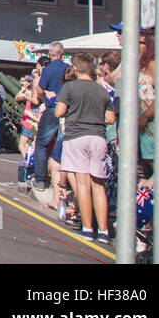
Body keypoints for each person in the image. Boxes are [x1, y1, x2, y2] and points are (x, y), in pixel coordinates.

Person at [56, 53, 115, 243]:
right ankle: (104, 231)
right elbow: (111, 118)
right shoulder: (102, 91)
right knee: (99, 184)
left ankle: (88, 228)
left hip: (77, 136)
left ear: (75, 68)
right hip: (98, 137)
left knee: (82, 183)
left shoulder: (69, 87)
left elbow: (59, 112)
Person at [31, 42, 69, 194]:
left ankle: (40, 179)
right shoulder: (67, 68)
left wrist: (43, 96)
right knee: (63, 144)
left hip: (52, 108)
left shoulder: (47, 70)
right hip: (67, 108)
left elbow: (40, 88)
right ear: (63, 53)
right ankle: (62, 180)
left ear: (50, 53)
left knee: (41, 143)